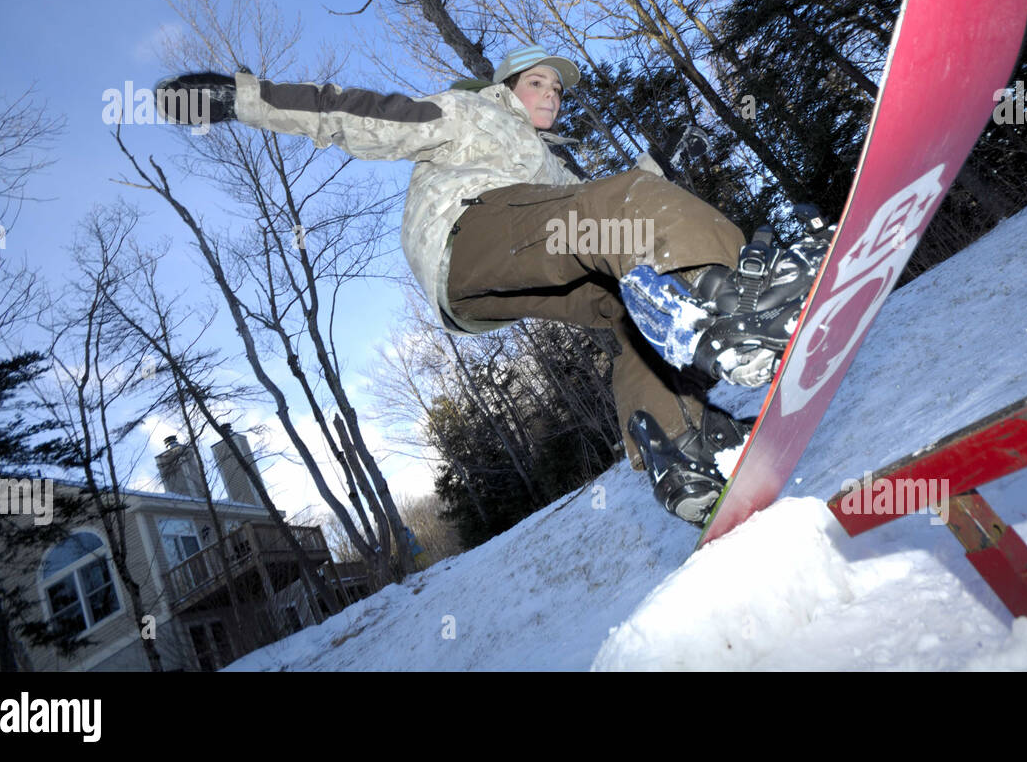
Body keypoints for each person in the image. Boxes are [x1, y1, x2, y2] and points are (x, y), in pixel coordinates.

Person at [155, 46, 826, 524]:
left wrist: (673, 153)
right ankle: (739, 308)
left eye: (559, 90)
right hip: (469, 235)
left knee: (629, 302)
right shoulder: (468, 113)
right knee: (622, 204)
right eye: (540, 83)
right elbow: (358, 114)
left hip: (517, 264)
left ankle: (680, 447)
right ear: (506, 87)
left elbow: (607, 203)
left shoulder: (553, 163)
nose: (552, 95)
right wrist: (242, 99)